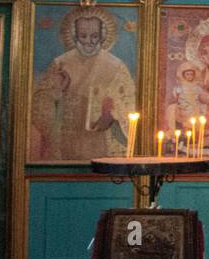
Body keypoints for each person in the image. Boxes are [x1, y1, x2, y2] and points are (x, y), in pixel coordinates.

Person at [30, 9, 135, 160]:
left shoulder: (116, 67)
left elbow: (129, 106)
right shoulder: (60, 63)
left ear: (102, 36)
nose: (89, 41)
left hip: (100, 143)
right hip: (66, 141)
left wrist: (112, 114)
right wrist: (57, 93)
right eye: (83, 36)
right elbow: (39, 106)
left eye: (94, 36)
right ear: (74, 36)